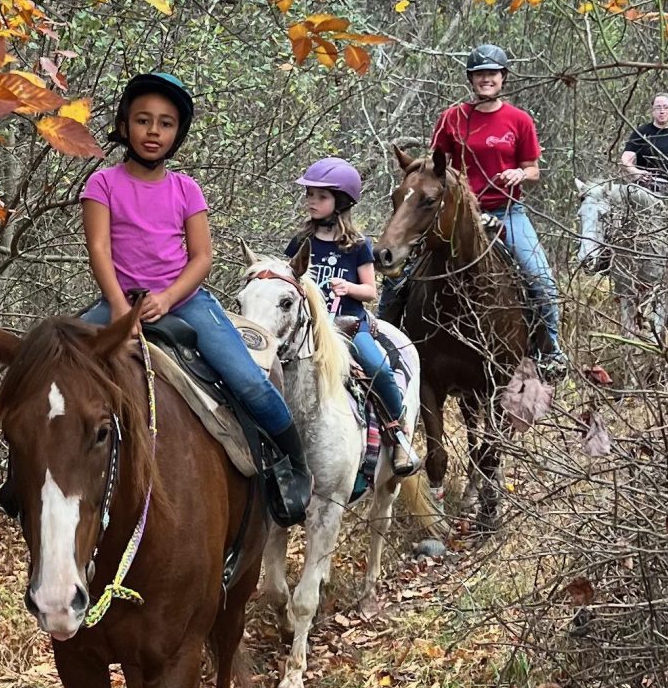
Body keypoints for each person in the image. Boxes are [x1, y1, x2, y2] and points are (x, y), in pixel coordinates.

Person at [79, 72, 312, 525]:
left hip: (183, 300)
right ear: (124, 125)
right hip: (117, 300)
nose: (153, 131)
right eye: (143, 120)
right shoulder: (102, 183)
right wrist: (122, 310)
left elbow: (202, 257)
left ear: (176, 134)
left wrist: (166, 299)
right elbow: (99, 249)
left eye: (165, 123)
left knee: (247, 379)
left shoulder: (186, 189)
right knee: (55, 364)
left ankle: (294, 466)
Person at [428, 43, 566, 379]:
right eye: (479, 74)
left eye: (492, 73)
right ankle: (393, 336)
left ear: (503, 77)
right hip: (459, 213)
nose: (486, 79)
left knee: (541, 280)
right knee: (402, 273)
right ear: (471, 79)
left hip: (506, 211)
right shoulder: (452, 117)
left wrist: (520, 173)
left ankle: (550, 353)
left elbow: (533, 169)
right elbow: (435, 167)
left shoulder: (519, 120)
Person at [285, 157, 405, 427]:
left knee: (379, 369)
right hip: (308, 325)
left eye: (321, 196)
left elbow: (370, 291)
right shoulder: (300, 242)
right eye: (310, 195)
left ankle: (398, 427)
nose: (312, 201)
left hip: (347, 326)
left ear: (340, 202)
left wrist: (349, 287)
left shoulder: (358, 245)